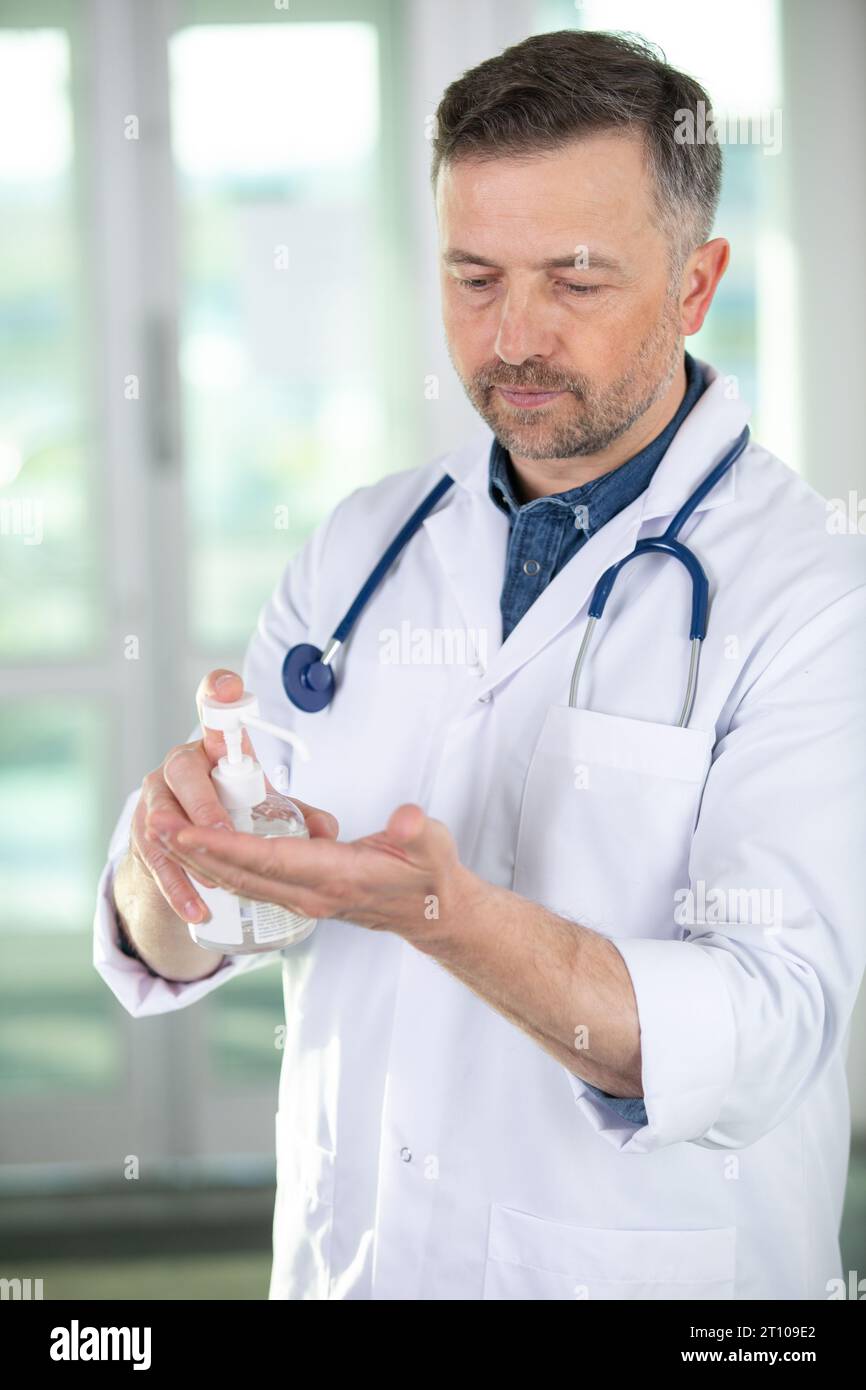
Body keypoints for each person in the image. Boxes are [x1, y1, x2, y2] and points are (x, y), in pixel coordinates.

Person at [94, 30, 866, 1299]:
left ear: (692, 282)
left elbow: (764, 1030)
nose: (511, 337)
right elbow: (192, 938)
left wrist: (445, 919)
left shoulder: (813, 591)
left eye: (572, 282)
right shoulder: (359, 546)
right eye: (472, 276)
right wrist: (171, 859)